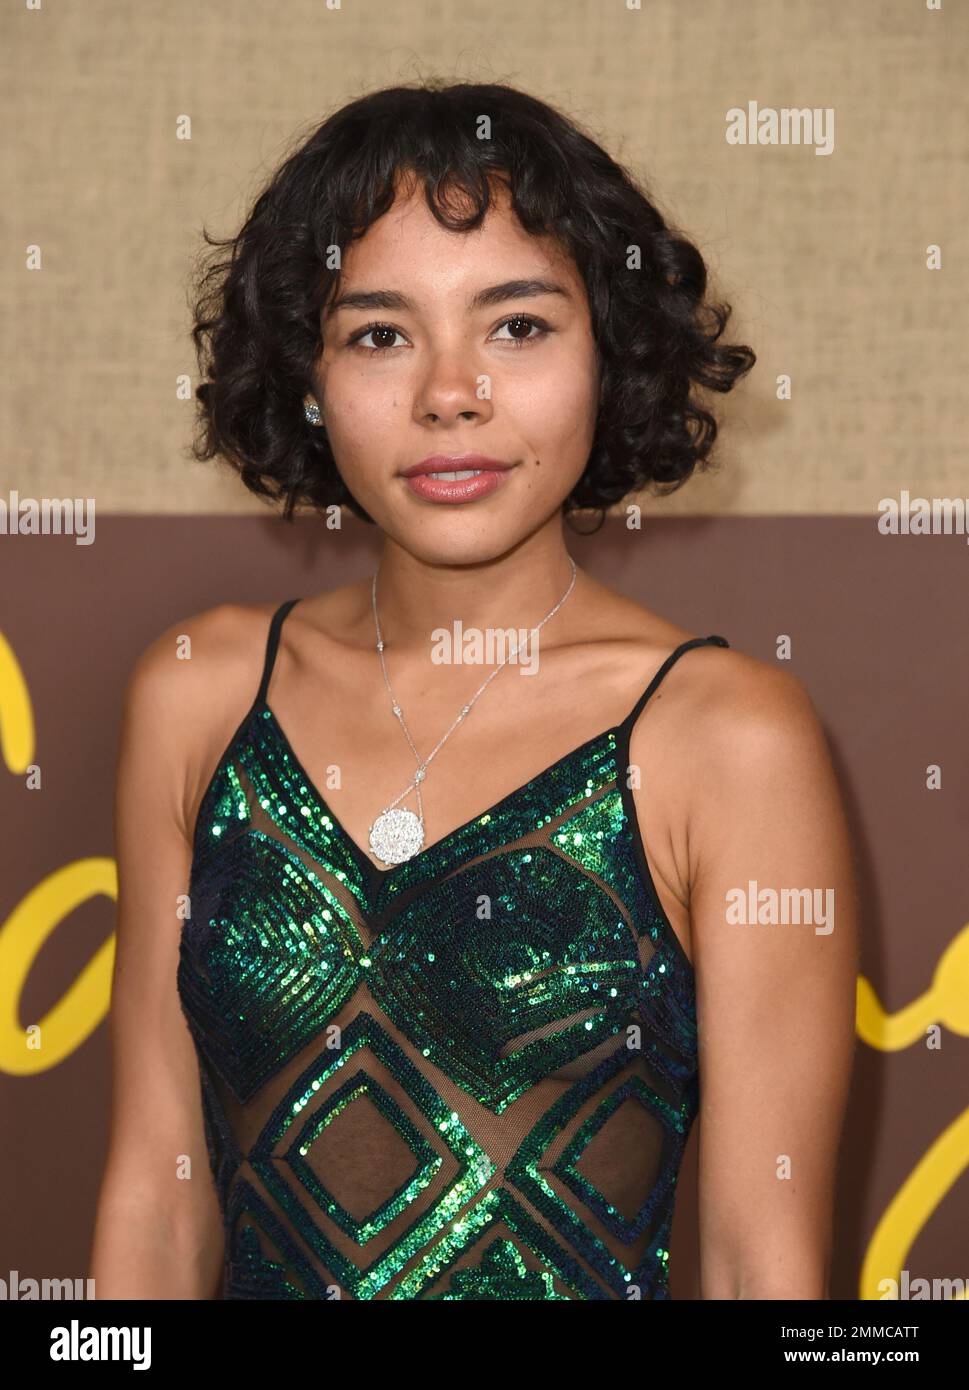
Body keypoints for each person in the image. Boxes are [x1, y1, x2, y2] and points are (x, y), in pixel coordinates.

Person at [90, 81, 858, 1300]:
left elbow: (764, 1268)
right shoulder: (199, 693)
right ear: (306, 373)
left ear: (609, 354)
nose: (451, 393)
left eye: (516, 326)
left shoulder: (726, 735)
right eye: (380, 333)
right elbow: (153, 1200)